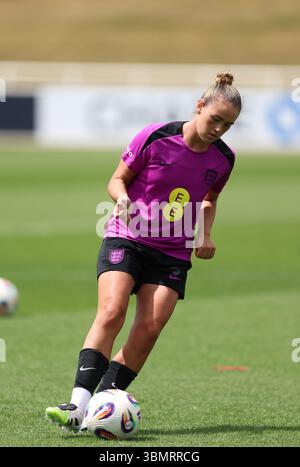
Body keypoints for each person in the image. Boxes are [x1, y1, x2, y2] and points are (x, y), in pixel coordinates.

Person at [45, 72, 242, 432]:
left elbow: (209, 200)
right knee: (111, 311)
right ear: (199, 107)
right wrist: (121, 199)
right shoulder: (156, 136)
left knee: (149, 329)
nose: (219, 129)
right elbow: (117, 178)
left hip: (173, 252)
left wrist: (206, 235)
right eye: (215, 119)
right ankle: (77, 405)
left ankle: (103, 406)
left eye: (228, 124)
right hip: (128, 237)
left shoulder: (224, 159)